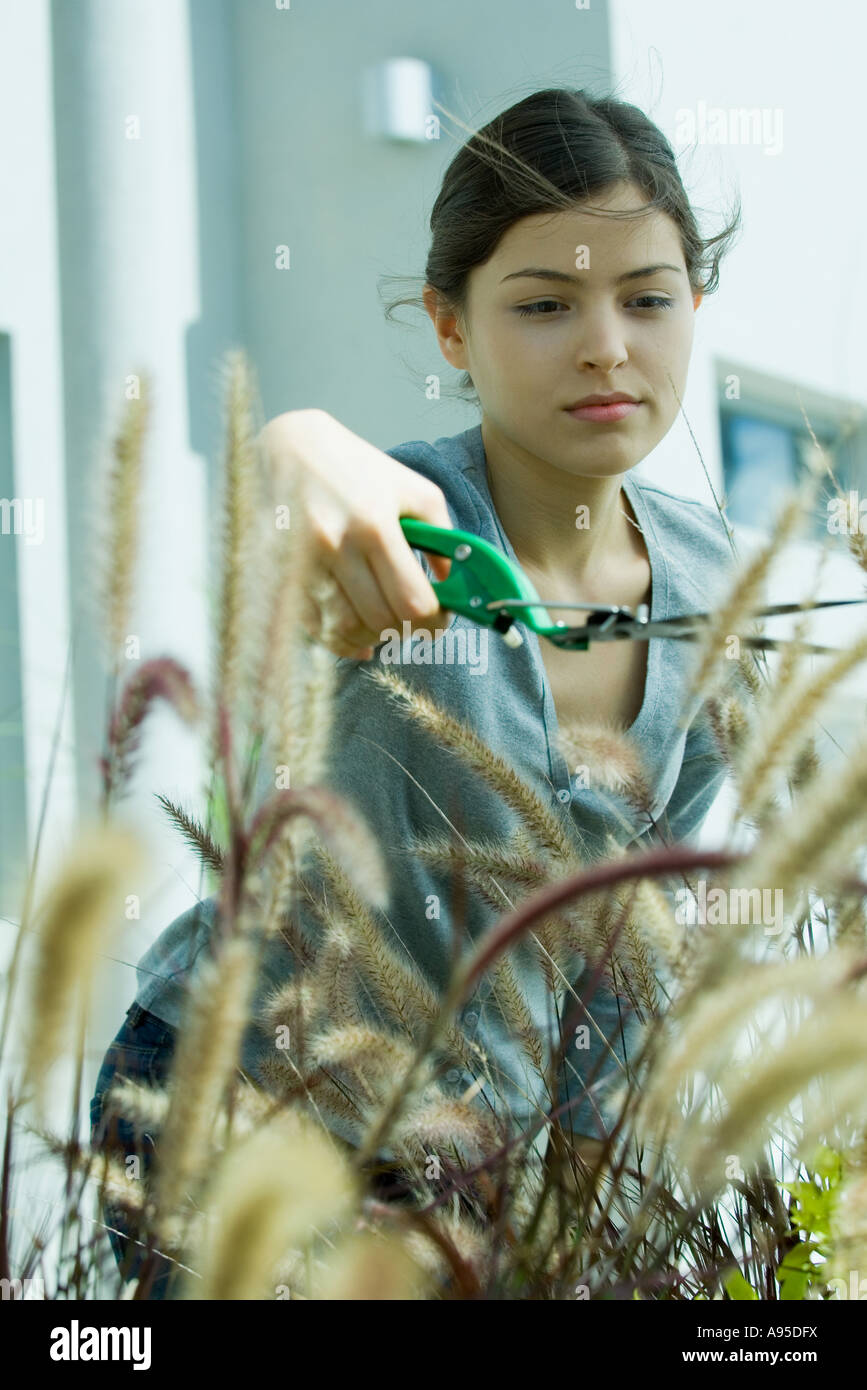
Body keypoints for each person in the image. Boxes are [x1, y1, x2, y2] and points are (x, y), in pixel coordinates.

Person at [90, 86, 745, 1297]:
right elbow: (303, 480)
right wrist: (296, 448)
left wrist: (599, 1217)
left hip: (468, 1160)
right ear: (451, 327)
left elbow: (617, 945)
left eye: (648, 298)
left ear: (695, 307)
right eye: (545, 304)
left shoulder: (717, 583)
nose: (607, 343)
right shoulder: (415, 523)